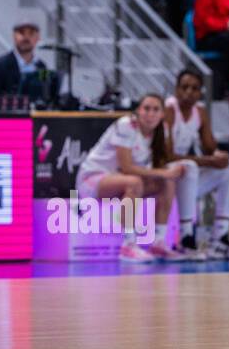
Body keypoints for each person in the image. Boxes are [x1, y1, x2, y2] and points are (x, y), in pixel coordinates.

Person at [73, 93, 188, 262]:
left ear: (162, 114)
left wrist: (171, 172)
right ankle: (128, 244)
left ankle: (159, 242)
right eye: (146, 108)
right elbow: (127, 168)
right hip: (92, 179)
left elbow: (160, 165)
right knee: (135, 182)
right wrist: (164, 172)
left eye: (156, 109)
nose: (150, 114)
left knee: (167, 183)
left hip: (119, 181)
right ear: (138, 111)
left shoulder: (161, 131)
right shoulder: (126, 125)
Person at [164, 68, 229, 258]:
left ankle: (219, 237)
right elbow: (167, 156)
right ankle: (186, 238)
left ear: (200, 92)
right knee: (190, 166)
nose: (189, 92)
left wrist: (219, 156)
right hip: (164, 176)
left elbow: (209, 148)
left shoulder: (199, 111)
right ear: (176, 89)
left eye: (195, 88)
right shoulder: (169, 109)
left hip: (185, 179)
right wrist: (207, 160)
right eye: (184, 87)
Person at [0, 19, 64, 103]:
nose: (26, 37)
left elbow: (46, 93)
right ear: (14, 36)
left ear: (38, 38)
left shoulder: (41, 66)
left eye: (31, 33)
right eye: (21, 33)